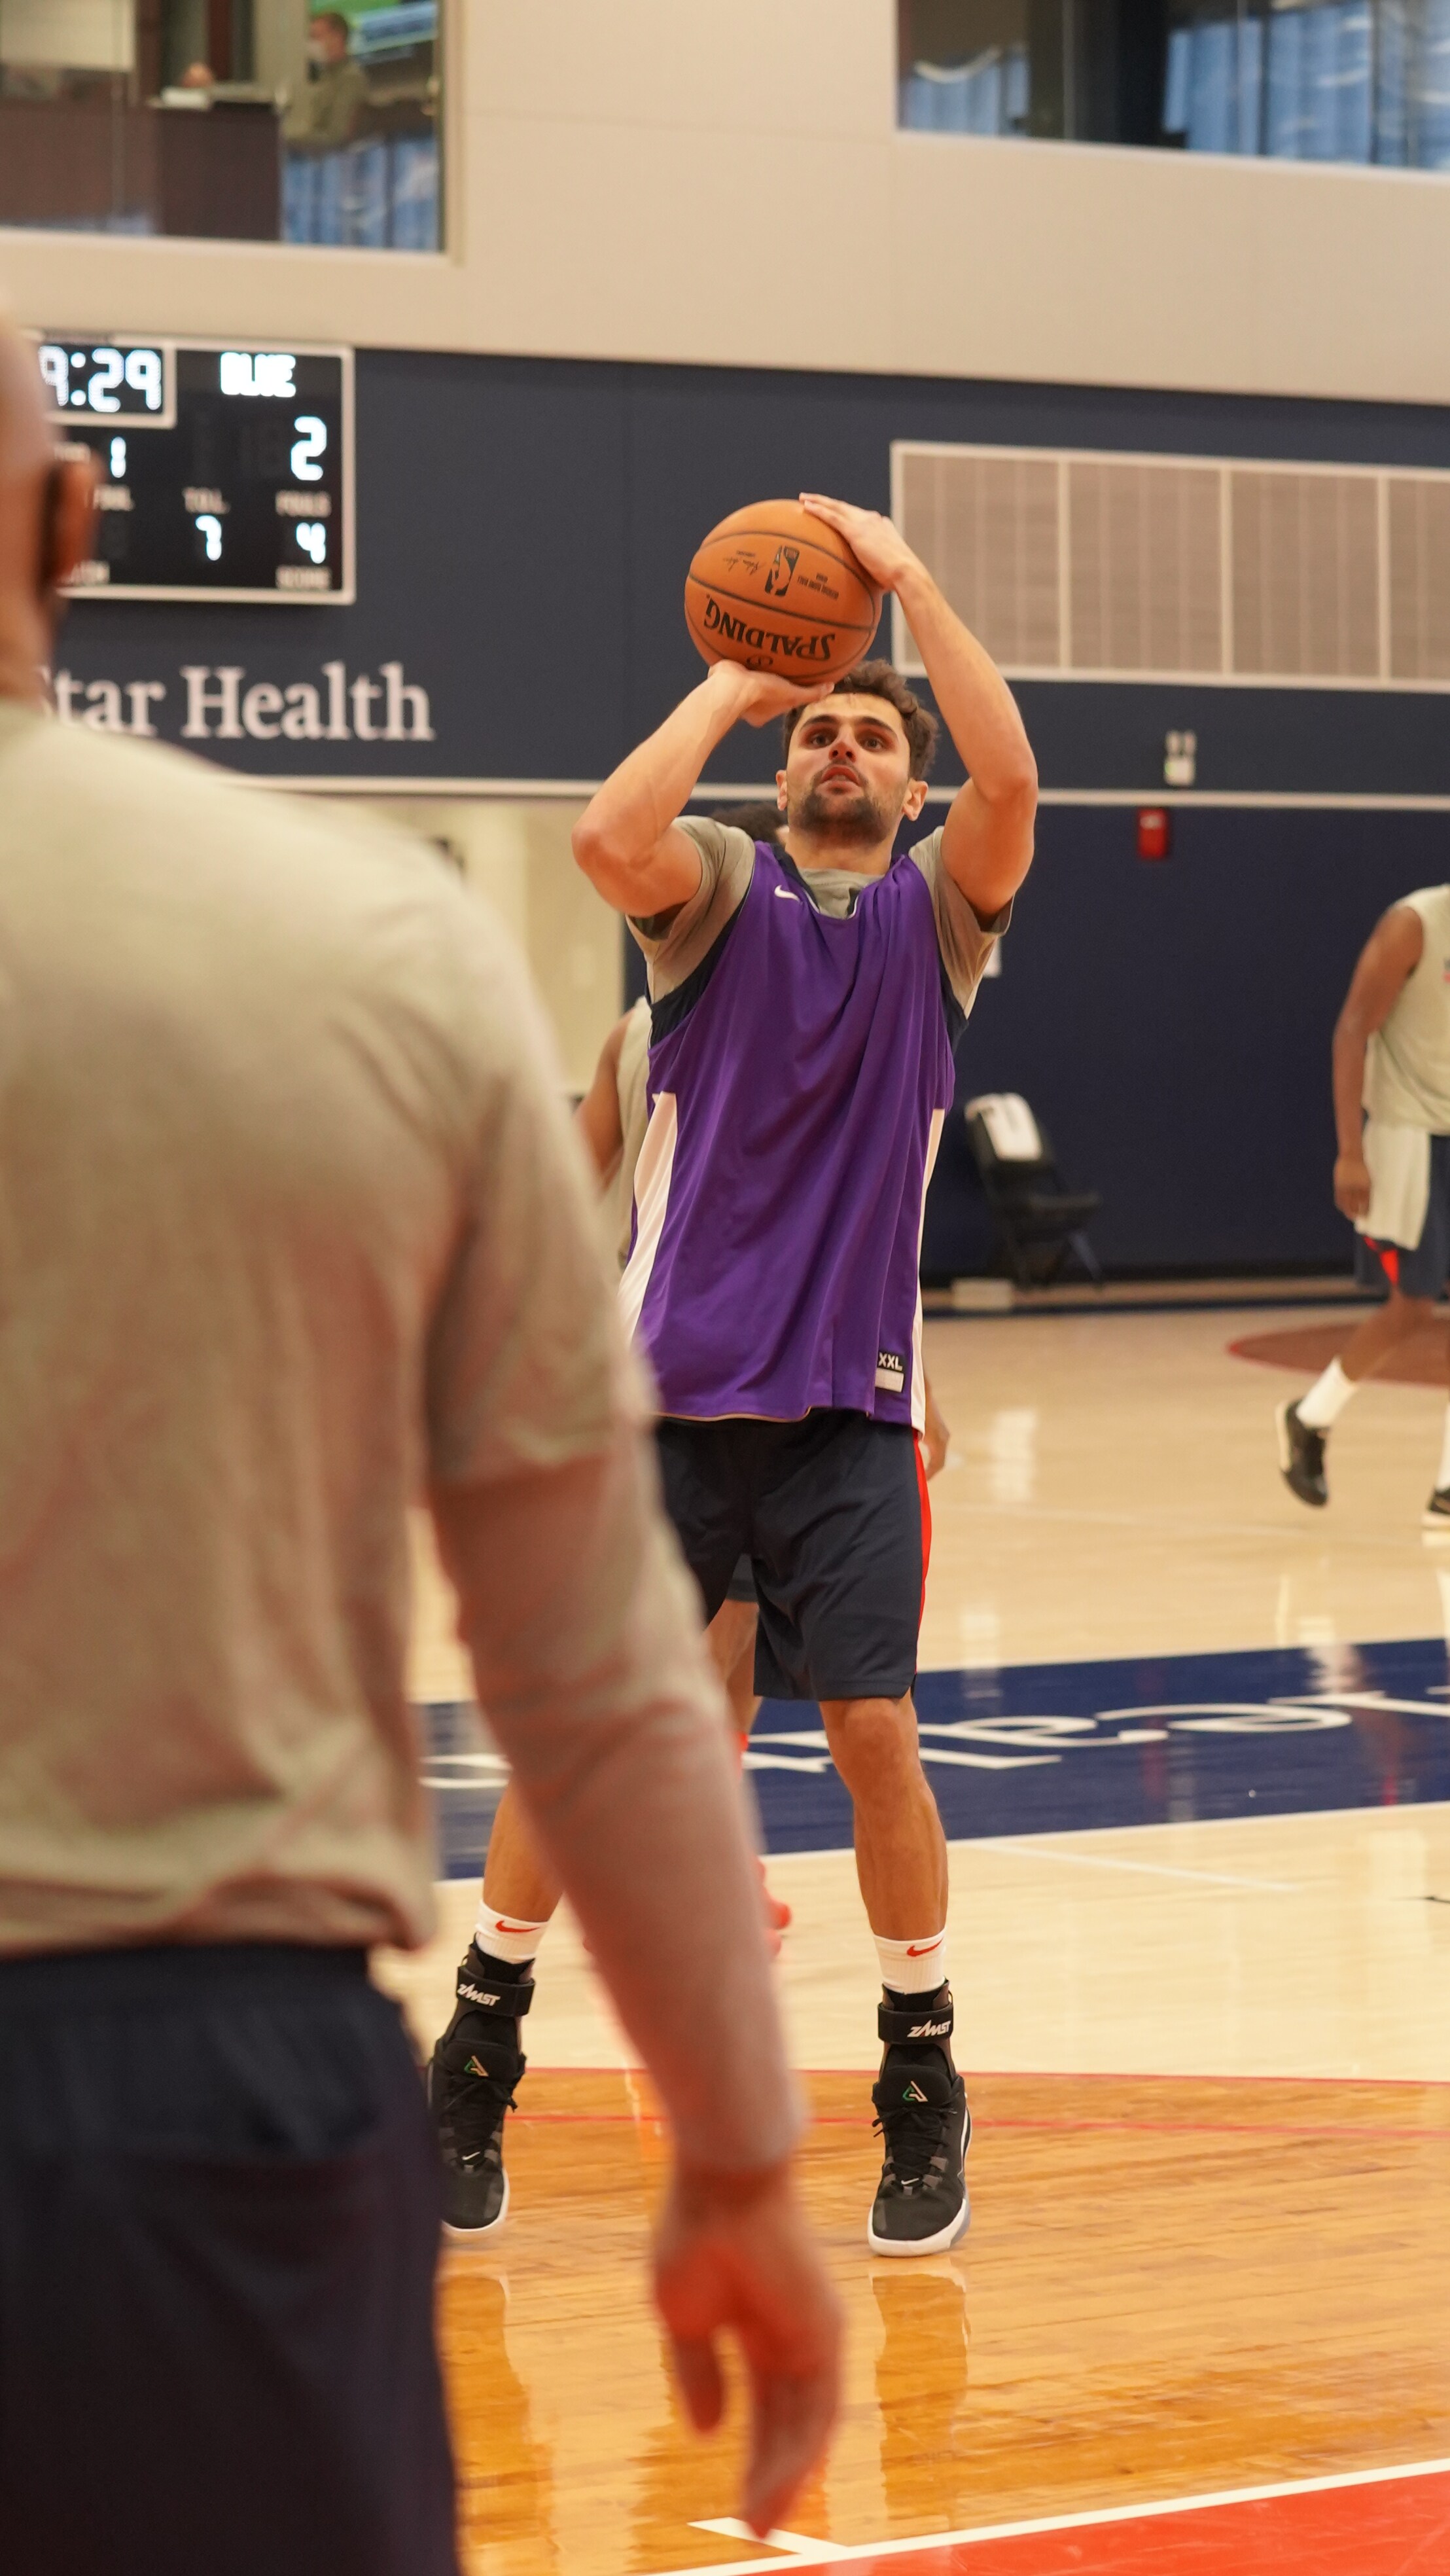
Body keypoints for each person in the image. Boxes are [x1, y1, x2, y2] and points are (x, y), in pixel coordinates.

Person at [0, 319, 838, 2574]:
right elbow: (583, 1637)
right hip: (190, 2090)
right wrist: (740, 2153)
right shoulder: (368, 942)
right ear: (73, 528)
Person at [430, 496, 1036, 2258]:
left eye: (874, 732)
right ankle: (476, 2048)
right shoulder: (712, 890)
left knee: (871, 1735)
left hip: (847, 1413)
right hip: (663, 1415)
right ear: (788, 774)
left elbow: (1013, 788)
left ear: (903, 790)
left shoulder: (938, 924)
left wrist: (907, 589)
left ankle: (919, 2075)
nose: (845, 747)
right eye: (824, 731)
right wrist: (732, 680)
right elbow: (604, 836)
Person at [1279, 885, 1450, 1525]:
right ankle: (1309, 1417)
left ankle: (1446, 1487)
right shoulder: (1413, 926)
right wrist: (1349, 1150)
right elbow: (1351, 1028)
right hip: (1408, 1131)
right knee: (1411, 1305)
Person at [282, 9, 369, 152]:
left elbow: (336, 136)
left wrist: (290, 142)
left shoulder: (350, 79)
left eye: (317, 37)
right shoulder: (326, 78)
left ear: (337, 37)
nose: (312, 44)